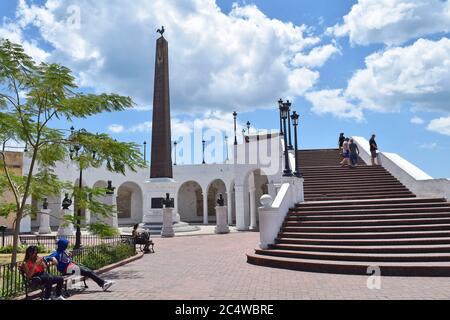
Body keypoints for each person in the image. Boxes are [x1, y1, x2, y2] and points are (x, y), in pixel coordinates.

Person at [45, 239, 114, 291]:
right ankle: (103, 283)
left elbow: (67, 259)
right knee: (88, 272)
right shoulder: (56, 253)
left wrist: (70, 255)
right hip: (66, 269)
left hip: (71, 266)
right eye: (66, 244)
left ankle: (103, 283)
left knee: (89, 270)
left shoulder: (63, 251)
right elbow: (45, 258)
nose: (67, 246)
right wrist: (51, 258)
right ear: (63, 245)